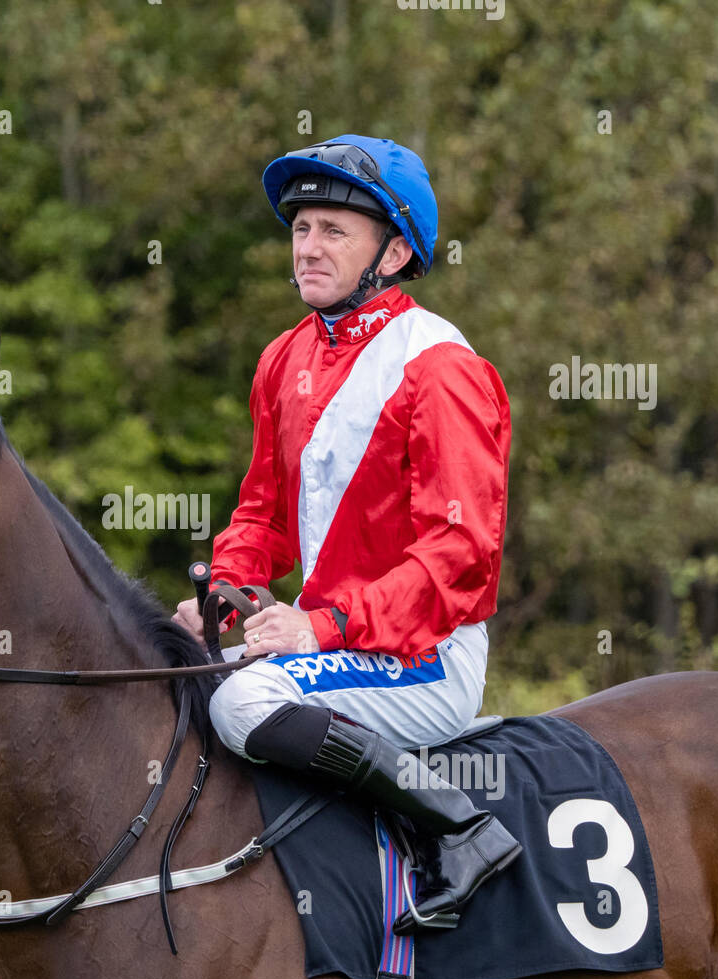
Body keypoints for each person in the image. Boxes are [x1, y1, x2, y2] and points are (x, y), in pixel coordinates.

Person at [172, 134, 521, 933]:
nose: (309, 247)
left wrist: (323, 623)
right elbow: (262, 514)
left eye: (335, 230)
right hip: (330, 644)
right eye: (301, 228)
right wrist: (223, 599)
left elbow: (459, 558)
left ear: (394, 252)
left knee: (241, 705)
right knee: (170, 669)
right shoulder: (284, 358)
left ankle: (460, 828)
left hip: (423, 658)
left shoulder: (441, 369)